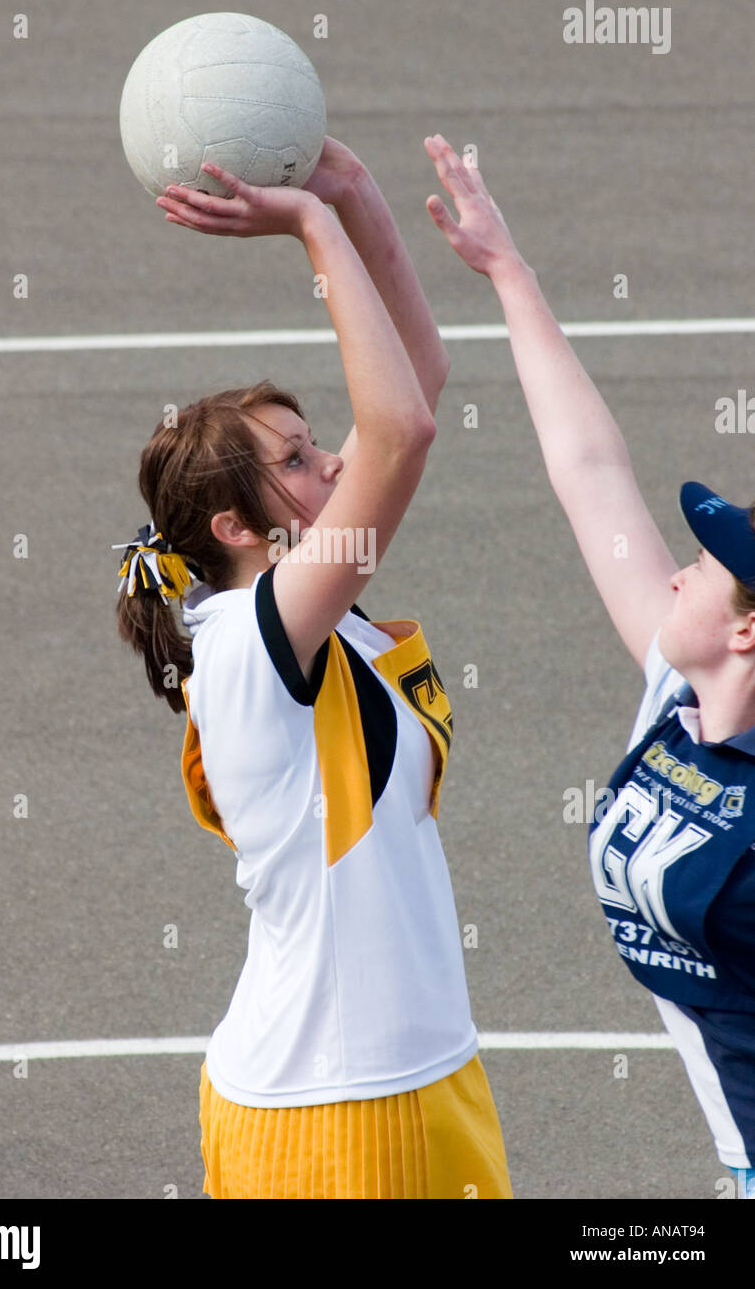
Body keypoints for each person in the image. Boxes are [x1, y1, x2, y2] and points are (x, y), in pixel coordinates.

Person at [113, 138, 512, 1200]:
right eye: (295, 458)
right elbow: (401, 427)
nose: (327, 462)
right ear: (236, 524)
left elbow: (414, 375)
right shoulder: (250, 639)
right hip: (338, 1108)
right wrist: (308, 231)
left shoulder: (301, 615)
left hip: (402, 1077)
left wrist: (355, 201)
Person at [424, 133, 755, 1198]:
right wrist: (505, 271)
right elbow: (588, 469)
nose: (672, 578)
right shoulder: (679, 697)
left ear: (742, 629)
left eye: (699, 569)